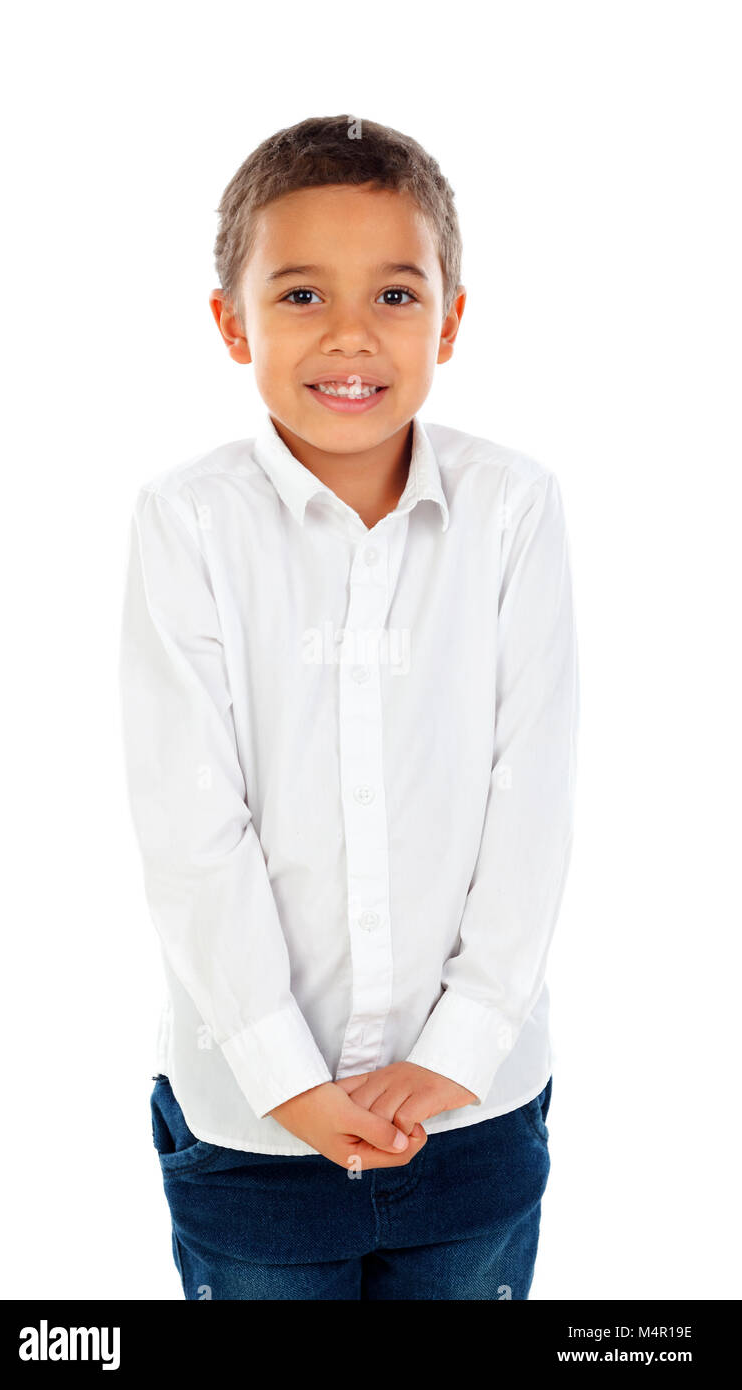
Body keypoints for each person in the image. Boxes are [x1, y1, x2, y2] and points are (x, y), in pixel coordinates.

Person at [118, 113, 580, 1301]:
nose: (350, 336)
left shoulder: (511, 511)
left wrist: (459, 1048)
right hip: (253, 1135)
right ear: (231, 321)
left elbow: (530, 792)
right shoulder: (189, 523)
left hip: (468, 1118)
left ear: (451, 316)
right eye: (300, 295)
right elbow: (190, 825)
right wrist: (286, 1076)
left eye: (393, 293)